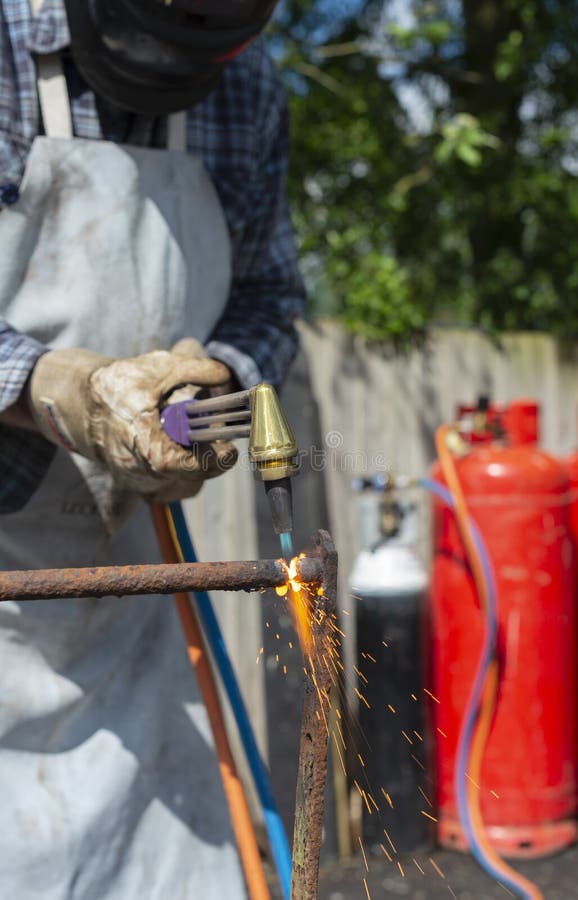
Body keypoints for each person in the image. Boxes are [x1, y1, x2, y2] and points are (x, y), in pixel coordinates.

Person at [0, 1, 305, 897]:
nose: (160, 66)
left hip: (128, 576)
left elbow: (268, 295)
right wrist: (56, 388)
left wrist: (216, 379)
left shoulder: (245, 88)